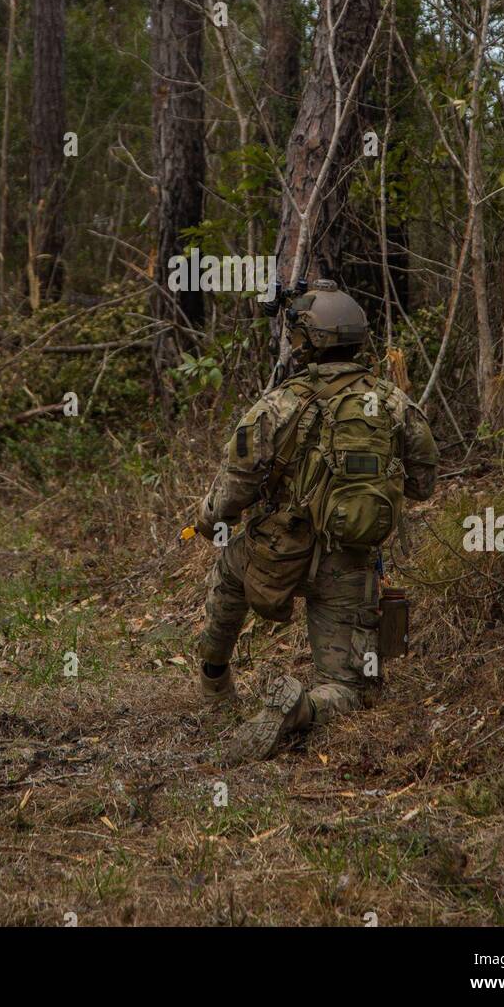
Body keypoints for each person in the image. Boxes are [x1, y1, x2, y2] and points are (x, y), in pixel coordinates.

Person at [193, 279, 438, 763]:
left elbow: (233, 488)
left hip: (273, 554)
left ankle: (215, 683)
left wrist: (207, 518)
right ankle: (302, 707)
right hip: (348, 563)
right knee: (351, 690)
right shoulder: (393, 404)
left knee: (227, 576)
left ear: (306, 342)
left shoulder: (276, 405)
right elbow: (423, 484)